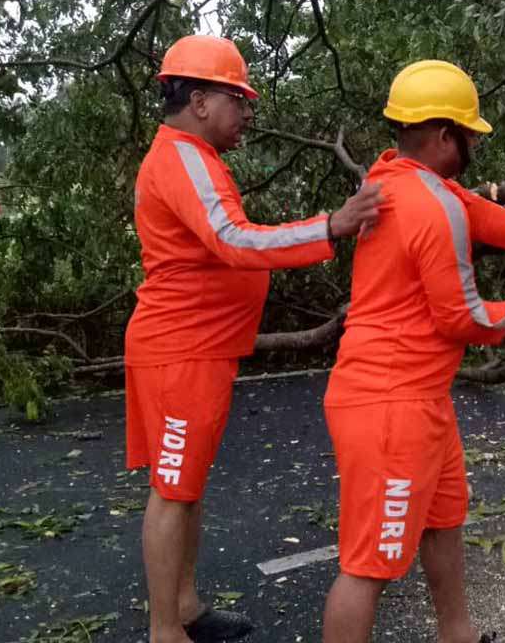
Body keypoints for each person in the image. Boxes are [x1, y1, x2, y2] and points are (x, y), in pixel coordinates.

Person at [124, 34, 383, 643]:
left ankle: (186, 608)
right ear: (199, 101)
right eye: (237, 99)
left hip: (200, 349)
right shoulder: (183, 156)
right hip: (180, 351)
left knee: (186, 485)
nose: (246, 112)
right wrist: (331, 226)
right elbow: (234, 240)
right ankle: (165, 631)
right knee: (173, 489)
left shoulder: (194, 156)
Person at [320, 59, 505, 643]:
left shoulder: (392, 178)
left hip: (419, 398)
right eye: (469, 134)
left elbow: (473, 208)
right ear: (445, 135)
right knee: (369, 565)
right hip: (391, 405)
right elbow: (460, 316)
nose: (474, 144)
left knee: (443, 521)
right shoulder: (430, 205)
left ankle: (457, 635)